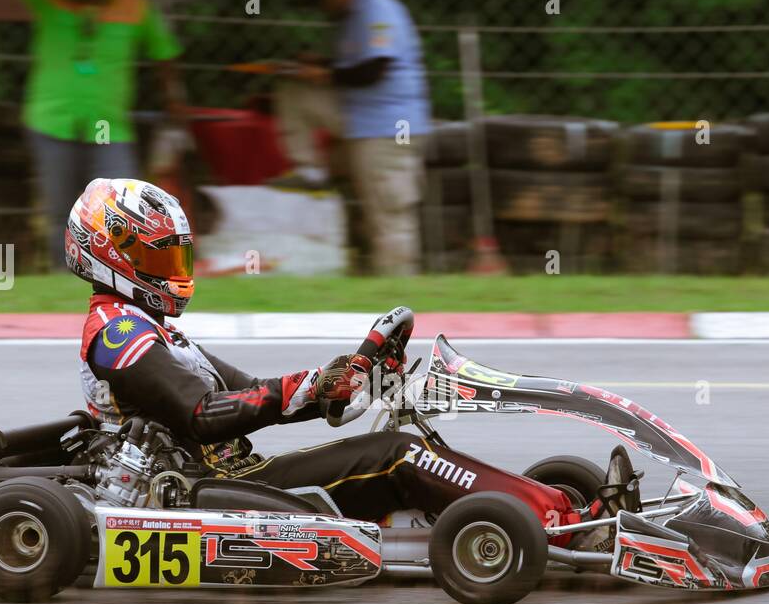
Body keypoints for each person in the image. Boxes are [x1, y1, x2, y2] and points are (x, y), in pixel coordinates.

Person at [65, 178, 613, 533]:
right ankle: (556, 519)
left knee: (405, 446)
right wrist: (308, 384)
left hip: (235, 474)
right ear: (111, 254)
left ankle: (546, 502)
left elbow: (251, 393)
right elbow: (201, 415)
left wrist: (343, 382)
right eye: (157, 256)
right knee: (398, 454)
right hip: (206, 488)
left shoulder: (153, 329)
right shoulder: (116, 333)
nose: (173, 270)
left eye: (176, 257)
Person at [11, 0, 189, 268]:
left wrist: (173, 98)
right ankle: (64, 276)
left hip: (111, 128)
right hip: (52, 122)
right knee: (61, 211)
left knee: (122, 210)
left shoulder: (135, 7)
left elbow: (164, 54)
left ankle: (121, 278)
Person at [269, 0, 430, 275]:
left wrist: (325, 74)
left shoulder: (377, 11)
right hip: (361, 117)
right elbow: (355, 66)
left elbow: (374, 69)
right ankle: (309, 171)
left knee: (389, 213)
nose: (322, 8)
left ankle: (400, 288)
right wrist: (320, 64)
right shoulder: (350, 17)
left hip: (389, 127)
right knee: (294, 89)